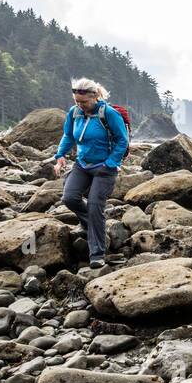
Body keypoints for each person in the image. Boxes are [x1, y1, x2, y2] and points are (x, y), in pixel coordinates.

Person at [52, 78, 128, 268]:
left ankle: (97, 254)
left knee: (95, 206)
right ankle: (94, 224)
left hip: (105, 168)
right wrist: (60, 154)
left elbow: (122, 141)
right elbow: (68, 135)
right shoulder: (75, 112)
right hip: (82, 164)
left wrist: (110, 163)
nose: (80, 105)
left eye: (84, 102)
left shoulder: (108, 114)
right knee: (69, 198)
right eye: (77, 101)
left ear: (95, 96)